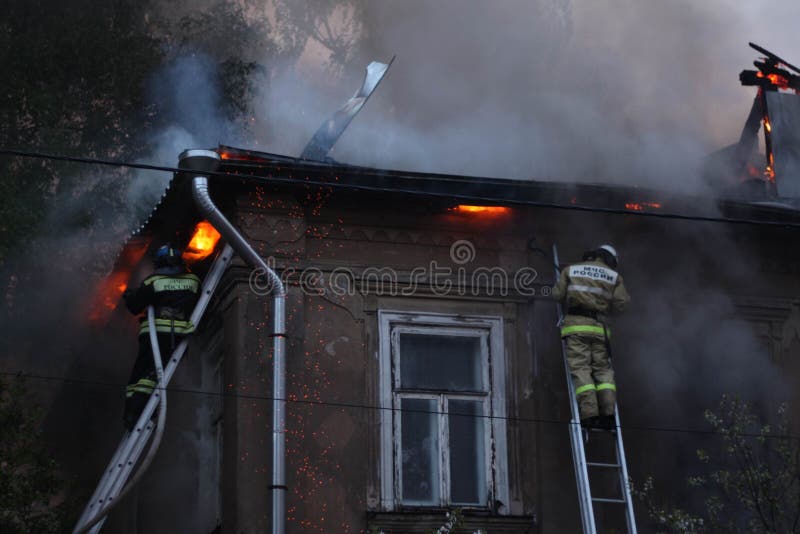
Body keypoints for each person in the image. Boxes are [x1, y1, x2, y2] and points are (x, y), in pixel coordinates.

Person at [121, 244, 200, 430]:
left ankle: (133, 414)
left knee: (141, 376)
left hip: (154, 336)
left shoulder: (154, 281)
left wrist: (129, 296)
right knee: (156, 375)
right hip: (178, 337)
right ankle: (148, 409)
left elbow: (134, 306)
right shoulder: (194, 281)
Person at [553, 244, 630, 430]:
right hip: (599, 330)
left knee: (581, 368)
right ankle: (609, 413)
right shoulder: (615, 277)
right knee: (603, 371)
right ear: (611, 260)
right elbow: (622, 304)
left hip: (577, 328)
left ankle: (589, 414)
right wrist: (606, 308)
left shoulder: (571, 270)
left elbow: (557, 295)